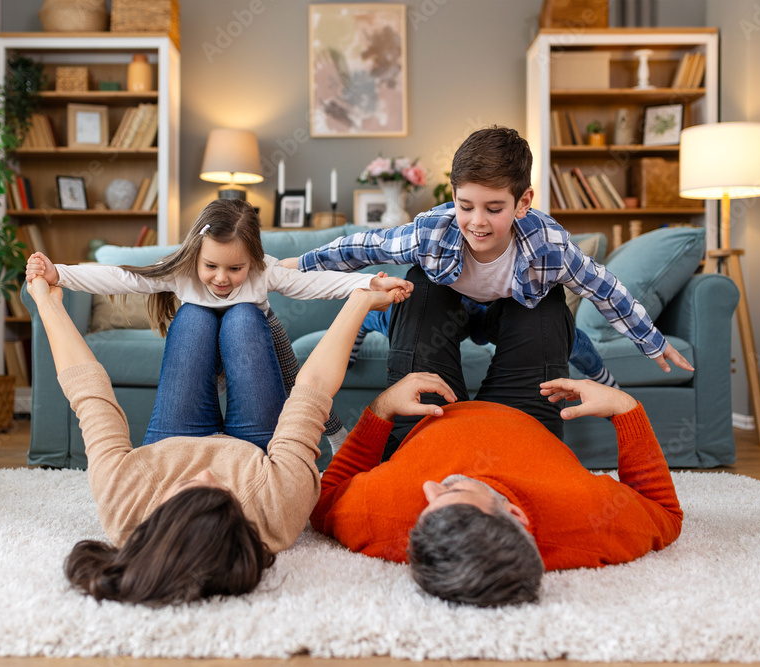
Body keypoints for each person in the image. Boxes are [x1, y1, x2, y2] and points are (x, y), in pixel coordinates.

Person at [282, 126, 690, 455]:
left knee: (559, 318)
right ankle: (379, 325)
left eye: (494, 208)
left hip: (511, 311)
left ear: (523, 202)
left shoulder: (549, 244)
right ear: (454, 197)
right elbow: (363, 247)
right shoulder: (433, 231)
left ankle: (585, 382)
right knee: (411, 290)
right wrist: (300, 264)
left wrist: (652, 341)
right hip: (448, 308)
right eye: (465, 205)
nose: (477, 221)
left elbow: (604, 288)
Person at [26, 274, 406, 606]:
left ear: (156, 515)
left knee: (194, 316)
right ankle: (229, 343)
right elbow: (312, 392)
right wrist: (361, 298)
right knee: (242, 317)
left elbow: (90, 395)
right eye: (224, 495)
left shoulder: (125, 497)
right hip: (256, 453)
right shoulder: (276, 504)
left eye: (191, 485)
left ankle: (215, 346)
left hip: (172, 440)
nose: (208, 474)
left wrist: (48, 302)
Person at [26, 198, 412, 450]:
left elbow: (314, 284)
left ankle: (334, 433)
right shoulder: (181, 273)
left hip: (254, 347)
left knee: (252, 326)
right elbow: (122, 278)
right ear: (196, 255)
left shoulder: (264, 273)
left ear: (254, 262)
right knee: (194, 315)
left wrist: (369, 283)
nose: (221, 279)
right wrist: (58, 273)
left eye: (235, 268)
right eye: (210, 266)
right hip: (198, 355)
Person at [309, 373, 683, 607]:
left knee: (425, 292)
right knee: (540, 304)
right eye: (453, 492)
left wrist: (383, 408)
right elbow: (664, 511)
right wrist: (626, 409)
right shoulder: (591, 525)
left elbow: (324, 498)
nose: (429, 488)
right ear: (515, 516)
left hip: (432, 411)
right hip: (533, 411)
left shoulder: (379, 517)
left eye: (426, 509)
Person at [348, 306, 619, 388]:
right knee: (392, 318)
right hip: (452, 310)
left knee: (567, 337)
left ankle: (603, 380)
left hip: (497, 311)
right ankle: (357, 334)